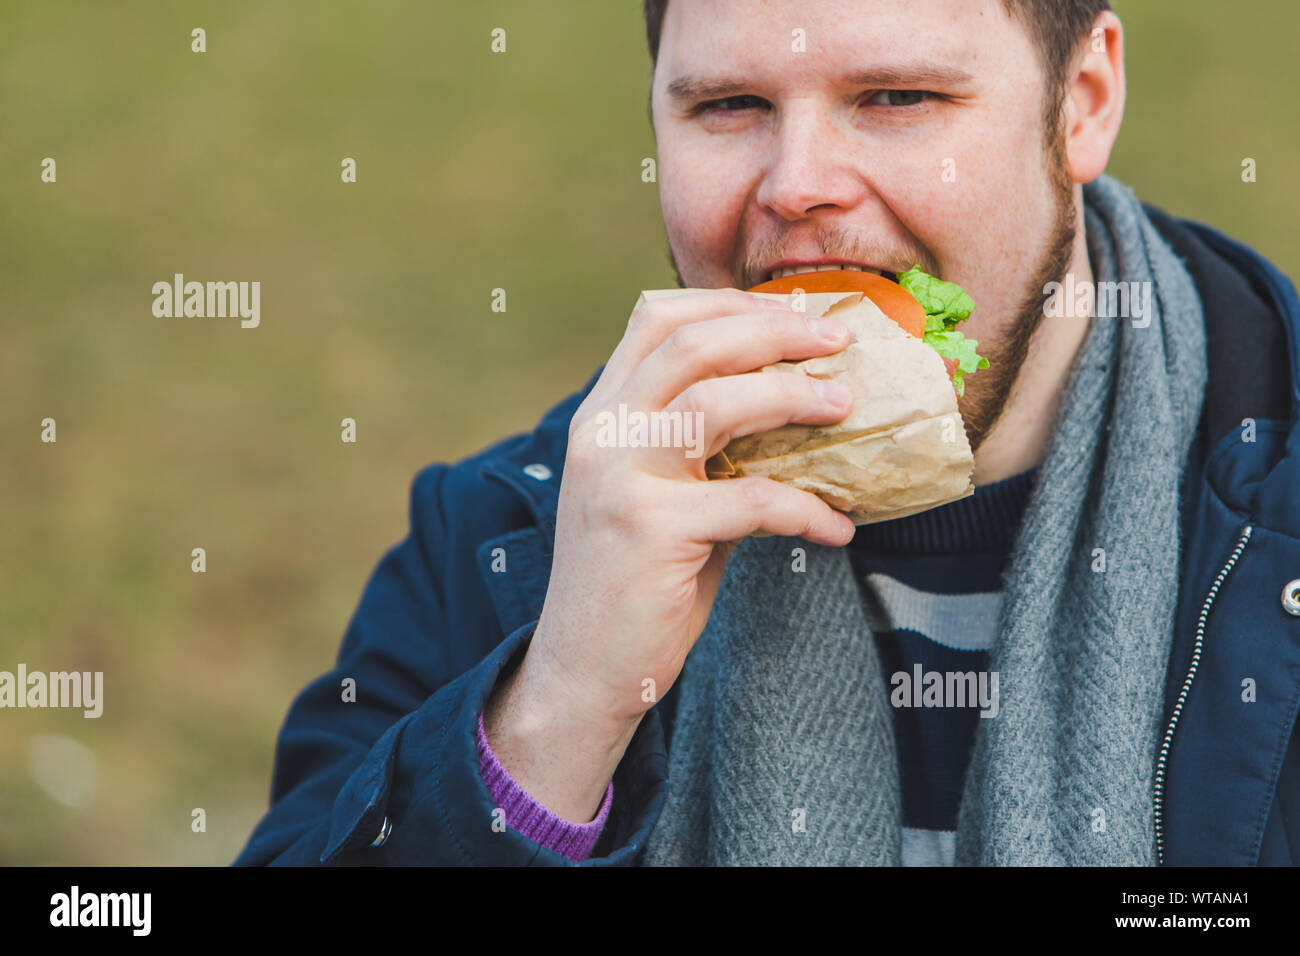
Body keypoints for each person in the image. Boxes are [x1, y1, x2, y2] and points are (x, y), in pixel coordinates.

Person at [234, 0, 1300, 866]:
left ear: (1083, 102)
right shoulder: (503, 537)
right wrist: (554, 716)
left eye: (896, 97)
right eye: (729, 105)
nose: (796, 187)